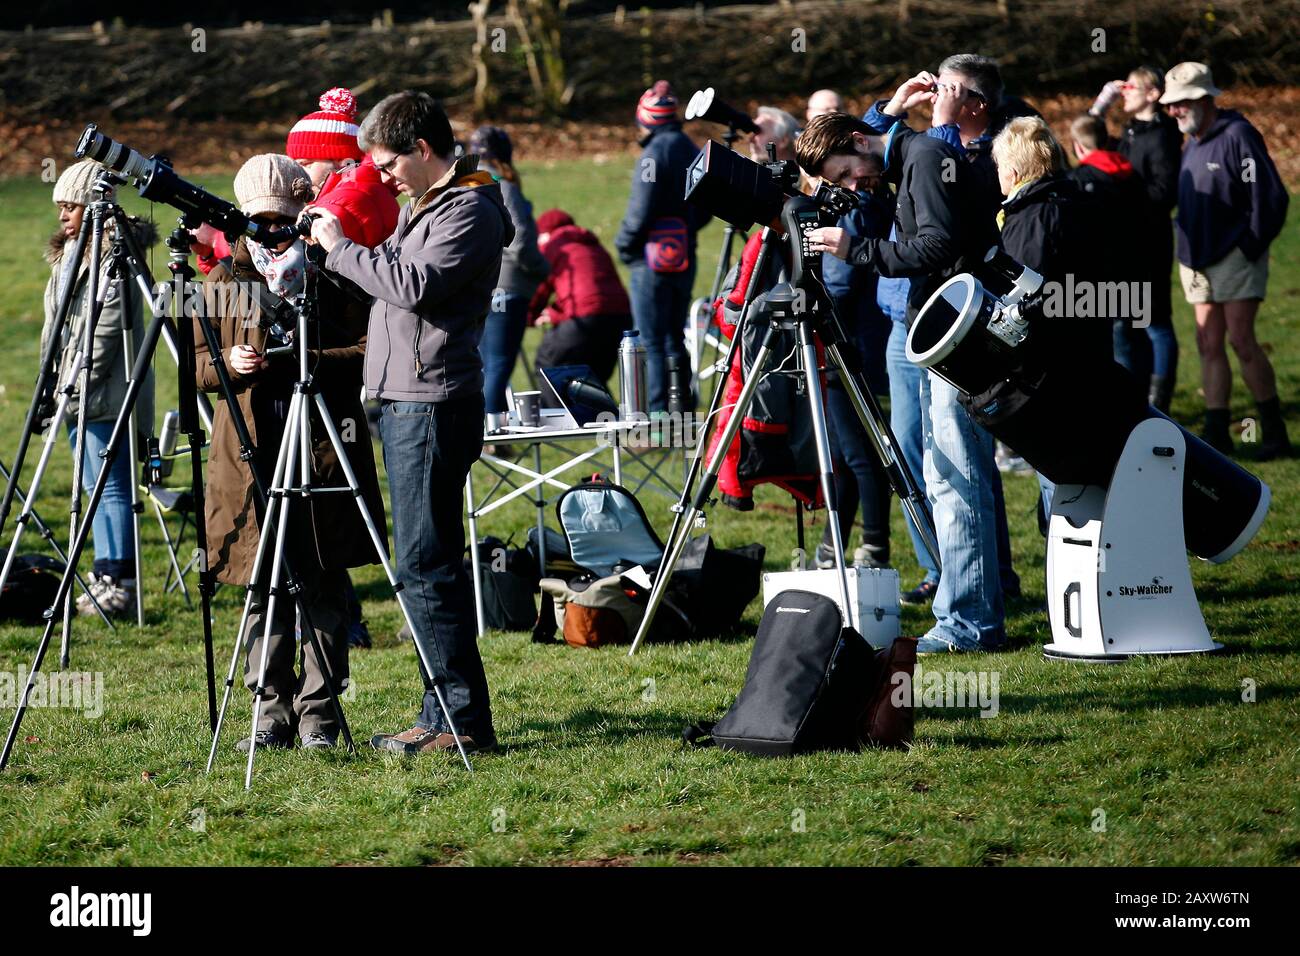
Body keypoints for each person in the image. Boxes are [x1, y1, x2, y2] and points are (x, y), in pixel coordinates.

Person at [311, 90, 514, 755]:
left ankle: (460, 724)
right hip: (407, 399)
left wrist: (339, 248)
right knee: (423, 563)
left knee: (426, 565)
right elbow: (393, 275)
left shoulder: (472, 210)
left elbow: (412, 284)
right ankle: (439, 716)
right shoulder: (425, 203)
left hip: (433, 402)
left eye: (391, 163)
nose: (385, 176)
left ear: (424, 149)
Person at [798, 112, 1007, 655]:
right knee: (944, 477)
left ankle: (969, 625)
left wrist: (855, 250)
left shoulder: (925, 159)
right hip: (935, 327)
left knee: (957, 480)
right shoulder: (900, 161)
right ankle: (966, 614)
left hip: (957, 331)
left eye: (845, 172)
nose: (851, 186)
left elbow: (935, 247)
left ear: (856, 143)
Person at [195, 154, 385, 751]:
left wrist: (311, 364)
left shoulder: (332, 274)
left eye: (281, 219)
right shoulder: (222, 285)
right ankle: (268, 710)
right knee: (264, 582)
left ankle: (321, 717)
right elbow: (196, 368)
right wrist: (228, 364)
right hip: (251, 453)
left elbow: (368, 348)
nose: (269, 234)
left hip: (323, 446)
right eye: (258, 221)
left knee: (322, 579)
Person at [863, 57, 1030, 603]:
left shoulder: (996, 154)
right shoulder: (929, 139)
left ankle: (985, 576)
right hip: (903, 318)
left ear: (976, 104)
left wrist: (936, 125)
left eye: (949, 87)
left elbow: (953, 193)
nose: (936, 91)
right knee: (912, 449)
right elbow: (864, 154)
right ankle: (942, 566)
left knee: (964, 459)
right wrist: (893, 106)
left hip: (956, 325)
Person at [40, 159, 155, 618]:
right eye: (61, 207)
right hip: (68, 392)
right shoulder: (70, 256)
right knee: (90, 483)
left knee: (110, 486)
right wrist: (51, 385)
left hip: (103, 395)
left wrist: (72, 389)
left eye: (72, 206)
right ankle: (102, 572)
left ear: (94, 207)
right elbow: (57, 326)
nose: (64, 216)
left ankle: (119, 580)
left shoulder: (116, 261)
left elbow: (104, 335)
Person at [1160, 62, 1291, 458]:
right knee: (1207, 342)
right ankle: (1217, 434)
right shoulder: (1192, 141)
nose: (1174, 111)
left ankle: (1273, 431)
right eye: (1171, 105)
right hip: (1196, 259)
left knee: (1242, 341)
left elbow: (1269, 198)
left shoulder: (1238, 135)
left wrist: (1249, 246)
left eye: (1180, 103)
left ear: (1203, 98)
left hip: (1235, 256)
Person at [813, 148, 895, 571]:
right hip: (864, 335)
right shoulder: (872, 199)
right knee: (849, 451)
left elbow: (841, 282)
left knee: (858, 452)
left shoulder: (851, 208)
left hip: (847, 337)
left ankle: (873, 546)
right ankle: (835, 549)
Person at [1090, 66, 1184, 411]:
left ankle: (1159, 402)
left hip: (1150, 243)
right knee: (1129, 320)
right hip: (1126, 245)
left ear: (1153, 94)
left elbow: (1164, 191)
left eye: (1133, 88)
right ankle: (1134, 399)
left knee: (1155, 323)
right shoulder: (1132, 130)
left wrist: (1121, 191)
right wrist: (1102, 104)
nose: (1125, 93)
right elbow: (1087, 141)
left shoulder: (1162, 135)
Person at [614, 80, 709, 413]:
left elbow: (640, 210)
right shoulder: (688, 147)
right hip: (684, 255)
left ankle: (656, 416)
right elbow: (707, 199)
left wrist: (625, 245)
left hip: (650, 260)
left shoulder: (653, 154)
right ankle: (681, 407)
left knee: (651, 338)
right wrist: (687, 229)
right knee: (673, 336)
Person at [470, 125, 549, 421]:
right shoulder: (503, 186)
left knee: (482, 364)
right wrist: (544, 269)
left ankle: (480, 431)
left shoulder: (464, 187)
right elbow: (521, 241)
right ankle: (491, 434)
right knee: (499, 363)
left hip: (479, 287)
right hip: (509, 286)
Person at [529, 208, 632, 386]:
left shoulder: (554, 245)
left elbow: (540, 287)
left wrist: (527, 315)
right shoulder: (593, 246)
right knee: (594, 381)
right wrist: (555, 314)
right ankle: (602, 414)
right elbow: (594, 295)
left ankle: (561, 413)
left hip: (584, 320)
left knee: (547, 365)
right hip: (620, 319)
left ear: (544, 233)